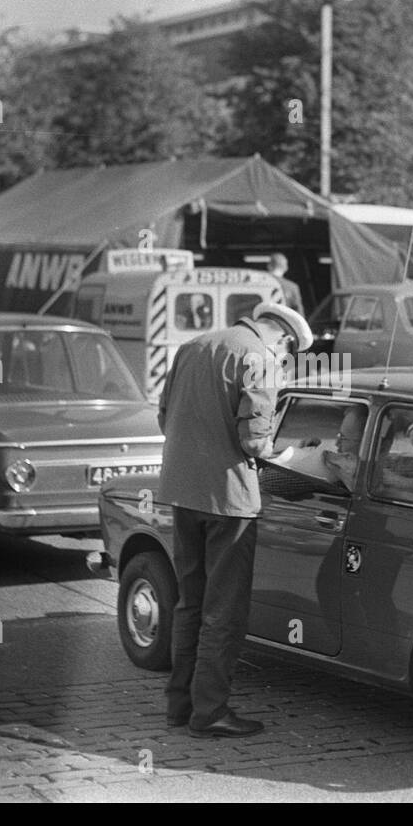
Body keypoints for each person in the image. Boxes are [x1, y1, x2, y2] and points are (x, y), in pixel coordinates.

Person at [158, 299, 314, 738]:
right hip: (229, 500)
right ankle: (210, 713)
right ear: (283, 337)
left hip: (181, 492)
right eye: (287, 352)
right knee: (223, 611)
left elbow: (163, 418)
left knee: (190, 602)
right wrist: (289, 456)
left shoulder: (193, 345)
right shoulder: (259, 358)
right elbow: (253, 442)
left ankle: (180, 705)